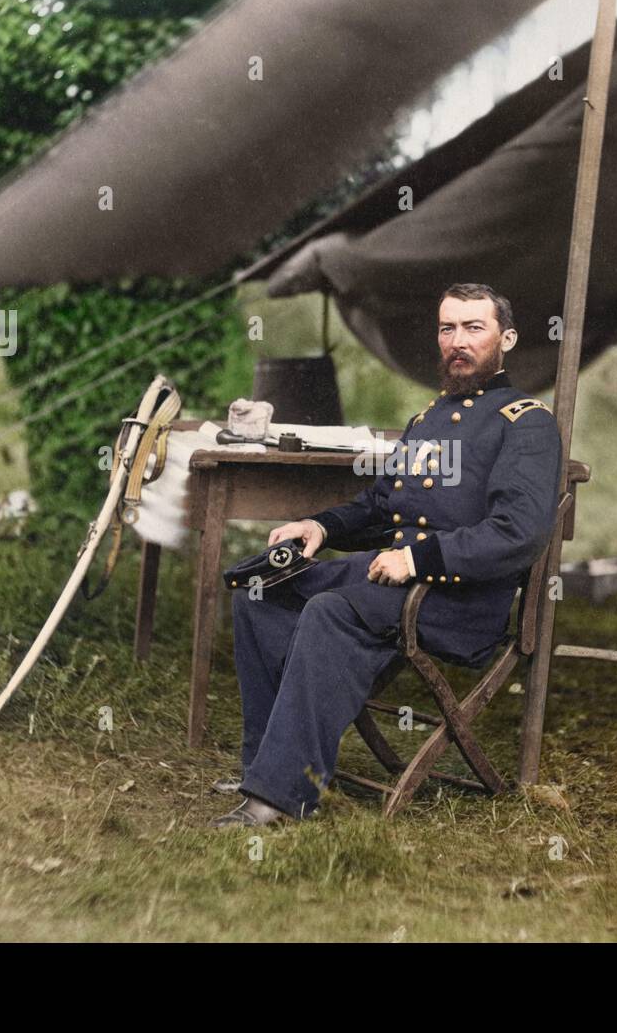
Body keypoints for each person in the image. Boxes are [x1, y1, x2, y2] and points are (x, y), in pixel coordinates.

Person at [211, 283, 563, 828]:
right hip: (394, 579)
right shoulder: (427, 420)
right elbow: (381, 505)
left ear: (507, 339)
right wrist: (319, 526)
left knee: (330, 612)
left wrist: (419, 559)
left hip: (459, 599)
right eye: (448, 328)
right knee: (262, 592)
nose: (458, 342)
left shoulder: (527, 422)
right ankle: (267, 765)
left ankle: (278, 800)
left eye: (475, 328)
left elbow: (518, 531)